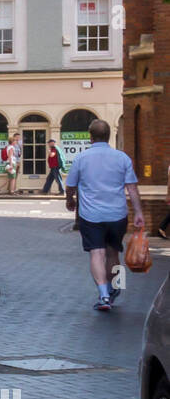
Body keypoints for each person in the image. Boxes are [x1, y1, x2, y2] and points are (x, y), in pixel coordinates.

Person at [64, 118, 144, 311]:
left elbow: (70, 185)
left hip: (91, 215)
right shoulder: (122, 157)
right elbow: (132, 187)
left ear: (90, 137)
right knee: (114, 253)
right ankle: (116, 287)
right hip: (118, 214)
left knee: (96, 253)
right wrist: (138, 212)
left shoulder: (81, 158)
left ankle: (104, 296)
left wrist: (70, 200)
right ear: (109, 136)